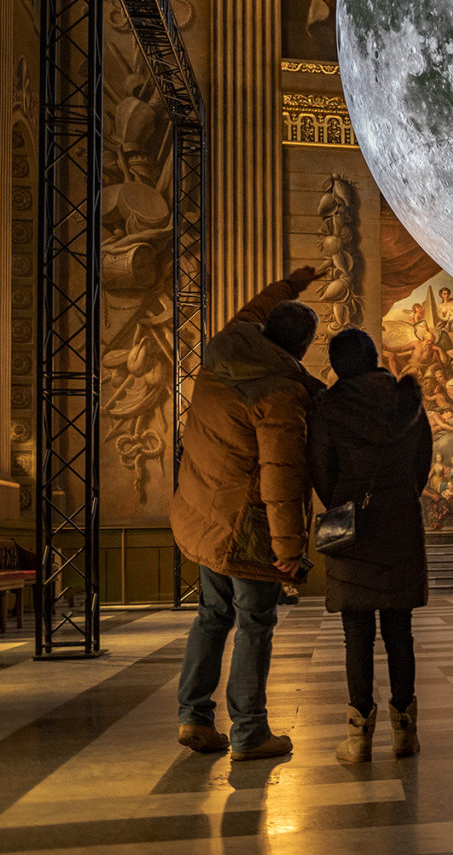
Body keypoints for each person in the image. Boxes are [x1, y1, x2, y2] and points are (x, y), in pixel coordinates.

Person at [169, 268, 322, 761]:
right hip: (245, 532)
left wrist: (292, 283)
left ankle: (193, 718)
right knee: (255, 621)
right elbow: (281, 479)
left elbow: (255, 308)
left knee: (212, 616)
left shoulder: (226, 348)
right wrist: (290, 553)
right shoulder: (279, 393)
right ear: (302, 348)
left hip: (202, 515)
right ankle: (250, 731)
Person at [307, 329, 433, 763]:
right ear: (375, 357)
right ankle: (405, 735)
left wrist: (346, 504)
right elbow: (423, 466)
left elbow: (320, 471)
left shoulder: (328, 408)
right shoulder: (407, 401)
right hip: (400, 524)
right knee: (400, 632)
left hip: (352, 530)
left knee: (356, 636)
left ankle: (359, 738)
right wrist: (397, 498)